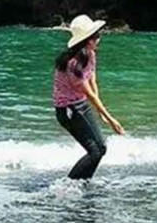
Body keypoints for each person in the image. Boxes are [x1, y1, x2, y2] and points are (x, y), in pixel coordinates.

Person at [52, 14, 125, 180]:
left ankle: (82, 183)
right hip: (68, 110)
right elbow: (89, 93)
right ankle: (68, 183)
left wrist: (100, 113)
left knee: (100, 149)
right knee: (96, 150)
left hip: (80, 105)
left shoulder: (90, 55)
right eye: (96, 36)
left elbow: (93, 83)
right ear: (87, 40)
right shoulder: (73, 63)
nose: (99, 39)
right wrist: (111, 119)